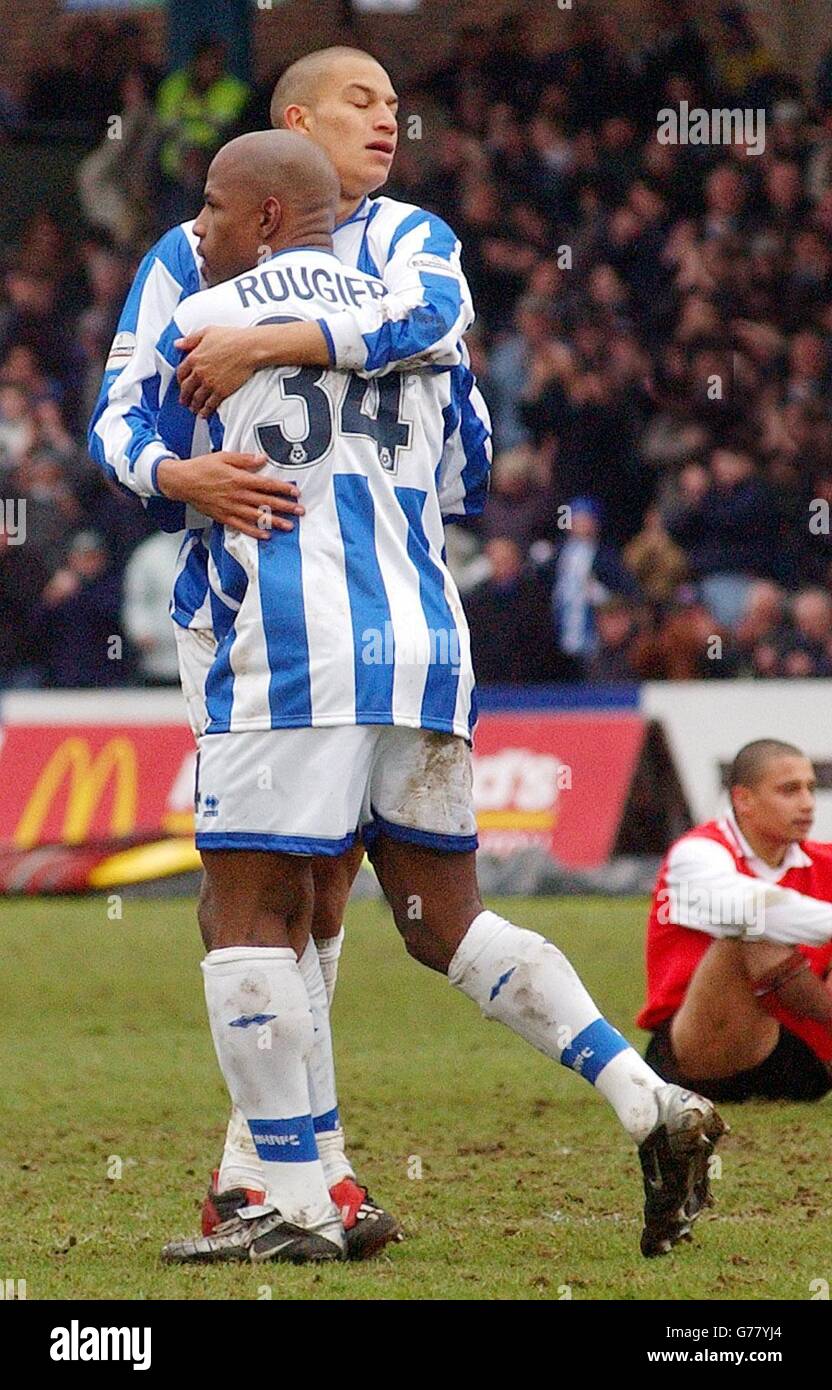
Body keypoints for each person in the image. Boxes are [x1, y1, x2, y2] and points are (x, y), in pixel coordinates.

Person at [152, 130, 725, 1265]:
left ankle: (294, 1197)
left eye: (213, 208)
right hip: (421, 647)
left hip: (291, 650)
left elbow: (162, 453)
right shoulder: (414, 313)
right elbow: (465, 462)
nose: (197, 230)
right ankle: (644, 1097)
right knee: (439, 918)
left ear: (265, 213)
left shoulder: (203, 317)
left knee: (250, 914)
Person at [88, 45, 489, 1258]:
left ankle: (280, 1180)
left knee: (320, 892)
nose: (390, 119)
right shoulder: (186, 255)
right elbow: (116, 413)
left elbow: (453, 367)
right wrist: (177, 473)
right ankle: (301, 1178)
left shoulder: (414, 244)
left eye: (396, 103)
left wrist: (281, 345)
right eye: (362, 100)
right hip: (245, 622)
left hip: (372, 614)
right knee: (267, 893)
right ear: (297, 127)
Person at [639, 739, 832, 1102]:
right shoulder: (696, 854)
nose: (807, 803)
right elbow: (746, 909)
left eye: (811, 788)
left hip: (797, 1061)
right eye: (789, 790)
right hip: (702, 1056)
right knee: (746, 930)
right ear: (743, 799)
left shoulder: (824, 862)